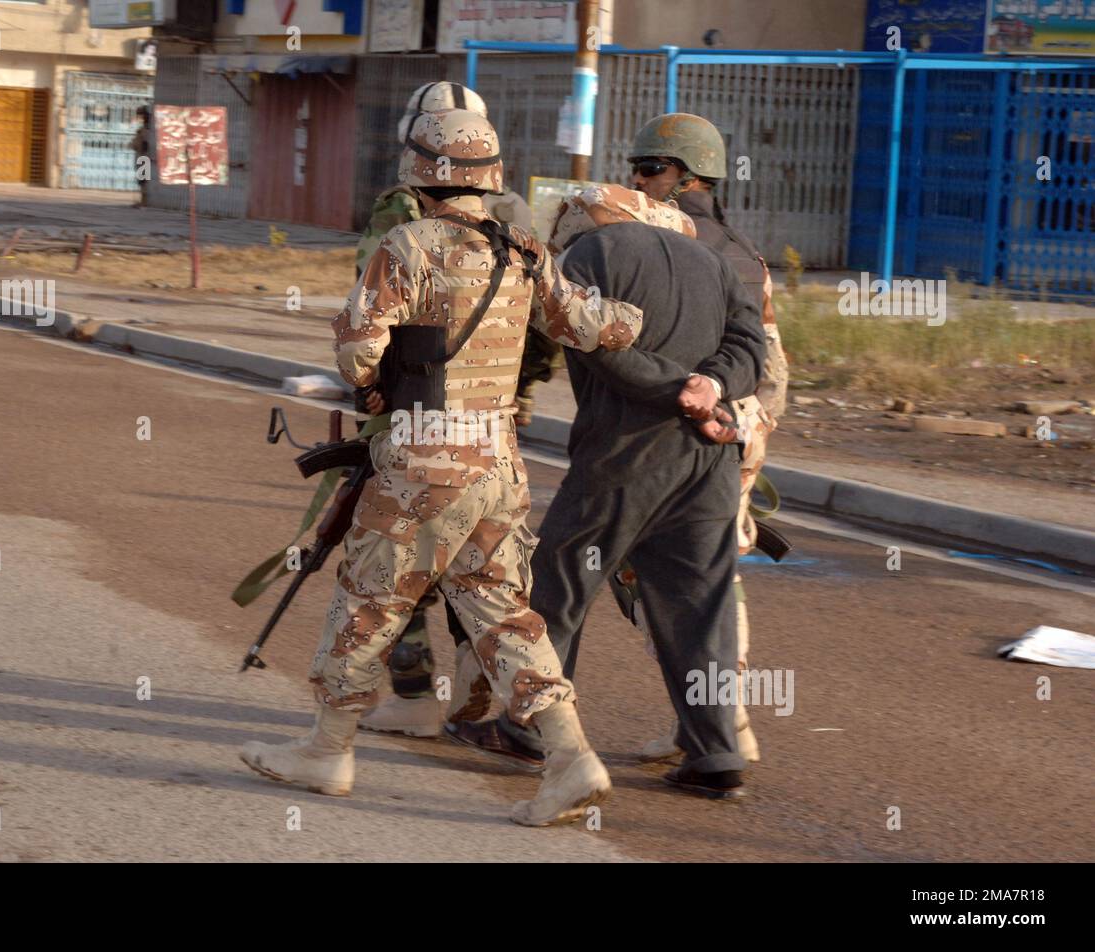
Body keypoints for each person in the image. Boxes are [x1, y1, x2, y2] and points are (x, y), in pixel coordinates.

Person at [239, 109, 644, 826]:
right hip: (498, 460)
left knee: (369, 599)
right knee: (499, 607)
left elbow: (357, 353)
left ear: (420, 175)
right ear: (488, 178)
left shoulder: (405, 245)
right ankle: (571, 754)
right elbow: (592, 325)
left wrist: (371, 379)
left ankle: (328, 750)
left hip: (423, 460)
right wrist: (653, 308)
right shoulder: (522, 250)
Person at [448, 183, 766, 798]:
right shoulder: (714, 262)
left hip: (626, 458)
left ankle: (529, 731)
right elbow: (750, 347)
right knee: (702, 609)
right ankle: (717, 755)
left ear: (577, 225)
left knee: (556, 584)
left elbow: (600, 348)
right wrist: (711, 386)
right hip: (710, 461)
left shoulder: (589, 258)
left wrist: (677, 389)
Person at [351, 81, 544, 740]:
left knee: (393, 560)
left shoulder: (400, 213)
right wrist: (520, 395)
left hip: (413, 409)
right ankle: (482, 676)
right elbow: (547, 323)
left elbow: (371, 312)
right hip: (494, 415)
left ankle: (410, 694)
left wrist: (368, 390)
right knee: (484, 555)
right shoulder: (518, 218)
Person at [627, 112, 790, 764]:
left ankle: (720, 722)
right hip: (737, 427)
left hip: (679, 431)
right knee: (710, 571)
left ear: (686, 176)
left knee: (665, 574)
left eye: (648, 169)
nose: (635, 180)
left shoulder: (659, 244)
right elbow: (774, 367)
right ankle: (711, 720)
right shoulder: (746, 253)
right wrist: (752, 432)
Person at [131, 106, 153, 208]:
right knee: (142, 180)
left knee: (144, 180)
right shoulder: (143, 129)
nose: (141, 118)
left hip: (145, 157)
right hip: (142, 157)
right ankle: (143, 201)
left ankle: (144, 201)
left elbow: (142, 144)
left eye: (142, 116)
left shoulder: (147, 130)